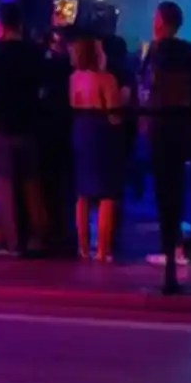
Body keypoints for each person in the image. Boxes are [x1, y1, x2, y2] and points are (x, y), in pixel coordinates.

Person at [139, 2, 191, 292]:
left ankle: (171, 250)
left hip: (161, 130)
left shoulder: (155, 53)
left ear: (160, 22)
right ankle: (178, 248)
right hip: (184, 132)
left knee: (164, 192)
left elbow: (144, 89)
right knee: (181, 192)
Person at [0, 3, 47, 256]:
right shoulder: (34, 52)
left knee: (4, 186)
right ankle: (38, 238)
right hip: (28, 125)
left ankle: (14, 242)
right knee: (30, 183)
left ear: (0, 24)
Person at [69, 35, 124, 262]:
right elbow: (114, 114)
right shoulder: (106, 79)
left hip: (80, 129)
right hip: (101, 132)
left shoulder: (73, 78)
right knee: (107, 194)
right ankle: (103, 250)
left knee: (82, 193)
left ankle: (82, 248)